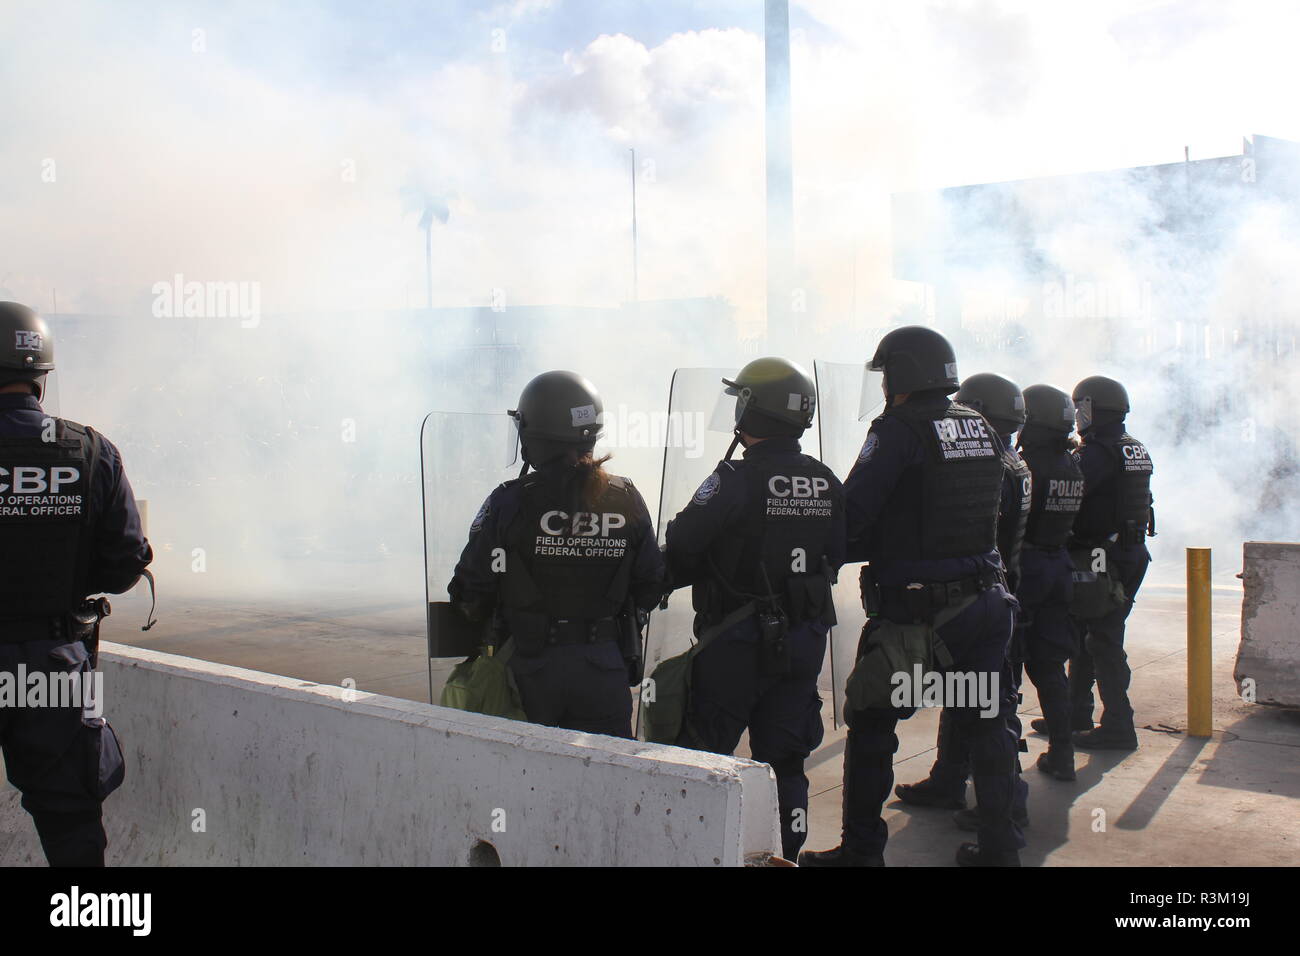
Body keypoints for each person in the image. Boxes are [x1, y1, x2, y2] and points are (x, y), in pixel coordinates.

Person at [799, 327, 1022, 867]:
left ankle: (861, 852)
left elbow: (855, 514)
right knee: (989, 721)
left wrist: (819, 551)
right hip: (986, 605)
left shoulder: (897, 430)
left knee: (872, 721)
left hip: (918, 614)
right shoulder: (981, 426)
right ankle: (1000, 849)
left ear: (900, 374)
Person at [663, 357, 844, 861]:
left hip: (735, 644)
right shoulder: (826, 480)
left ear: (753, 411)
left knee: (702, 755)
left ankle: (694, 852)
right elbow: (838, 550)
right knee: (786, 760)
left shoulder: (733, 480)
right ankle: (787, 852)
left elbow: (682, 545)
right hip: (805, 639)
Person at [0, 301, 153, 866]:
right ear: (42, 374)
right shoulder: (91, 452)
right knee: (72, 823)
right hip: (55, 667)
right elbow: (123, 566)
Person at [448, 370, 663, 738]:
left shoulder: (509, 500)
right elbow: (652, 584)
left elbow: (470, 585)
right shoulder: (626, 497)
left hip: (531, 668)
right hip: (604, 669)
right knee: (609, 777)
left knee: (524, 774)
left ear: (534, 435)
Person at [894, 372, 1031, 830]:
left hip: (989, 596)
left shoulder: (994, 467)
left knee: (993, 709)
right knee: (969, 699)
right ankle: (950, 780)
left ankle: (1008, 806)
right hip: (1003, 596)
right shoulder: (1011, 460)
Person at [1065, 375, 1153, 751]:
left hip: (1104, 556)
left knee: (1101, 640)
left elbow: (1068, 489)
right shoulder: (1133, 446)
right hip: (1130, 553)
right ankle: (1075, 714)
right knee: (1090, 633)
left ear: (1088, 409)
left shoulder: (1097, 451)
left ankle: (1119, 724)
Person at [1016, 385, 1085, 779]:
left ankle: (995, 766)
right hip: (1058, 567)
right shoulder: (1071, 464)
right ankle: (1063, 752)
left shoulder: (1027, 467)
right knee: (1049, 666)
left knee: (1002, 668)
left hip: (1025, 569)